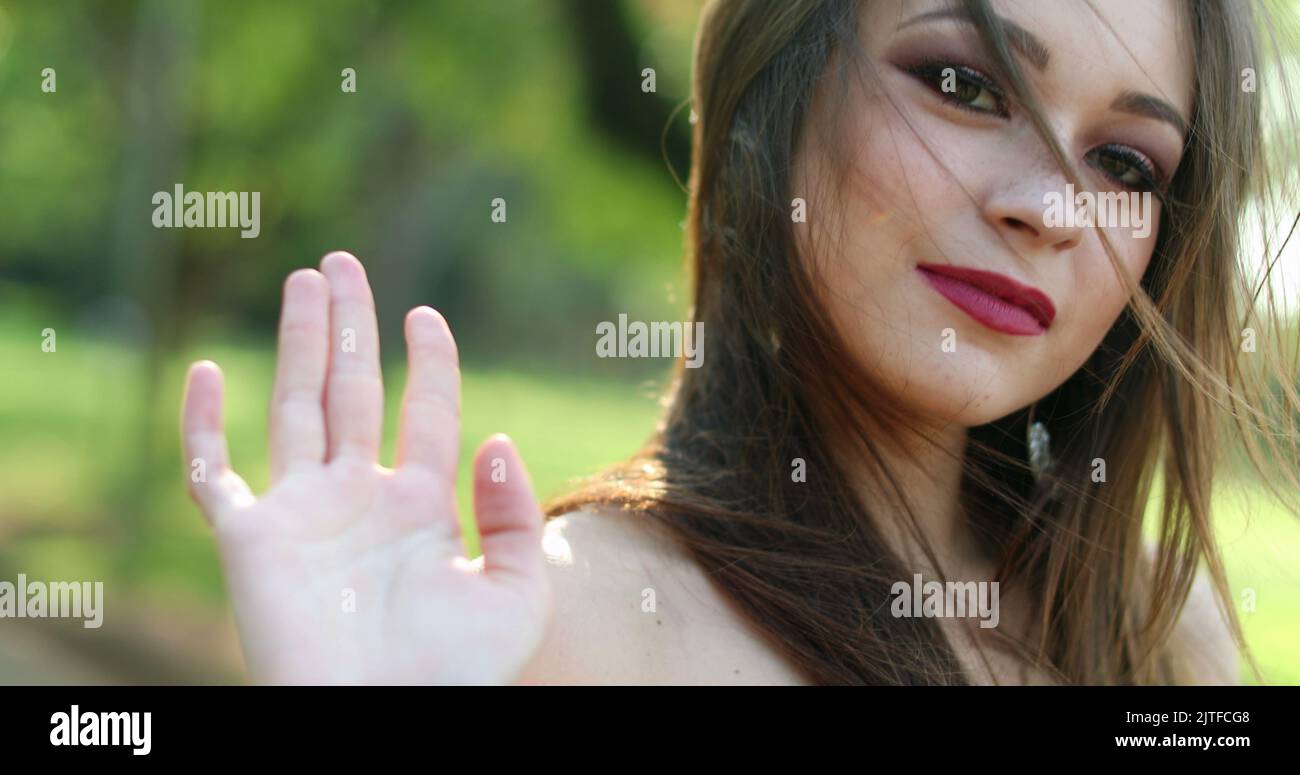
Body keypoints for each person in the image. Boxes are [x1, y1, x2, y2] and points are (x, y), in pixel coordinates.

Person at [181, 0, 1300, 684]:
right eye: (966, 86)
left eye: (1124, 165)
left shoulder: (1156, 634)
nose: (1053, 205)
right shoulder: (572, 629)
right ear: (779, 87)